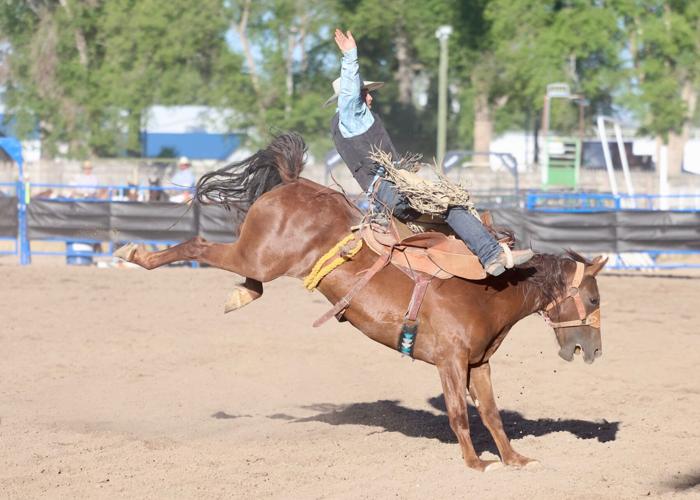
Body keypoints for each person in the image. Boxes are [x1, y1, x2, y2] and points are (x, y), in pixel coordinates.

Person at [328, 29, 533, 276]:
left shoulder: (348, 124)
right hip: (389, 190)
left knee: (448, 204)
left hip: (386, 192)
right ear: (356, 96)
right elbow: (350, 96)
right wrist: (351, 55)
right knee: (447, 202)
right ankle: (490, 254)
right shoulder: (352, 115)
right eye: (366, 92)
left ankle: (485, 252)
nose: (370, 97)